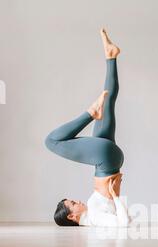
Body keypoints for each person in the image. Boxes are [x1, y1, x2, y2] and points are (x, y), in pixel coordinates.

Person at [45, 29, 130, 227]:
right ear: (72, 217)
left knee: (108, 102)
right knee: (51, 141)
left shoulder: (91, 214)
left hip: (108, 159)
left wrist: (115, 195)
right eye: (73, 204)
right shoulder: (94, 219)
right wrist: (116, 196)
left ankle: (111, 57)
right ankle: (91, 113)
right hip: (105, 159)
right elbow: (124, 224)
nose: (78, 201)